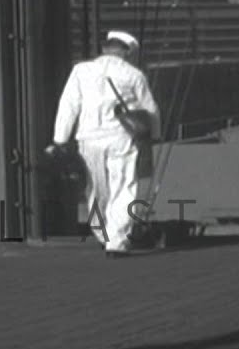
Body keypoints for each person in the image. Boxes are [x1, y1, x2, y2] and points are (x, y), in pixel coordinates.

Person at [46, 30, 160, 257]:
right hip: (121, 138)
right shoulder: (133, 74)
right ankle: (116, 241)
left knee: (96, 189)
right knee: (124, 187)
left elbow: (69, 105)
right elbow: (150, 109)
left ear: (105, 48)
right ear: (127, 52)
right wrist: (155, 136)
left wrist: (59, 139)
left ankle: (103, 234)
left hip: (89, 139)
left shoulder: (81, 70)